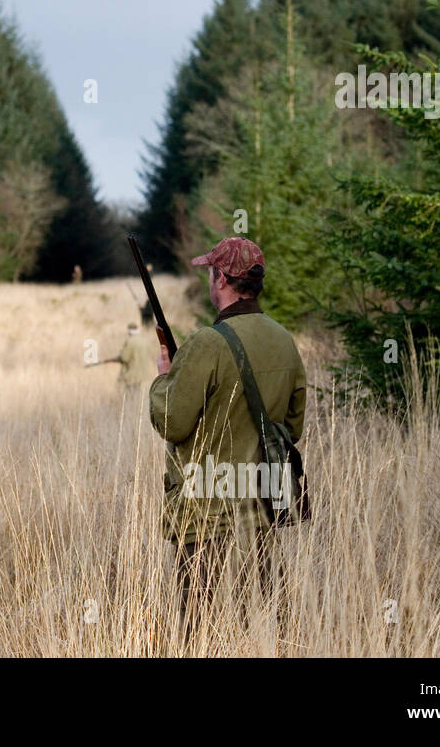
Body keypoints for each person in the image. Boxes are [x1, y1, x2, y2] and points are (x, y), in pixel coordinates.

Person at [148, 237, 307, 638]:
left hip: (206, 514)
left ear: (221, 278)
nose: (208, 278)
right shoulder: (284, 340)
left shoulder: (207, 343)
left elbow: (172, 421)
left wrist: (166, 377)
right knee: (268, 625)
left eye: (210, 271)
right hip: (260, 512)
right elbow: (293, 427)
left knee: (198, 632)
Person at [116, 321, 154, 389]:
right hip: (143, 372)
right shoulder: (144, 341)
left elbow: (124, 358)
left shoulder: (130, 341)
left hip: (132, 373)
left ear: (129, 331)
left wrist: (119, 358)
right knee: (138, 393)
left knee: (130, 394)